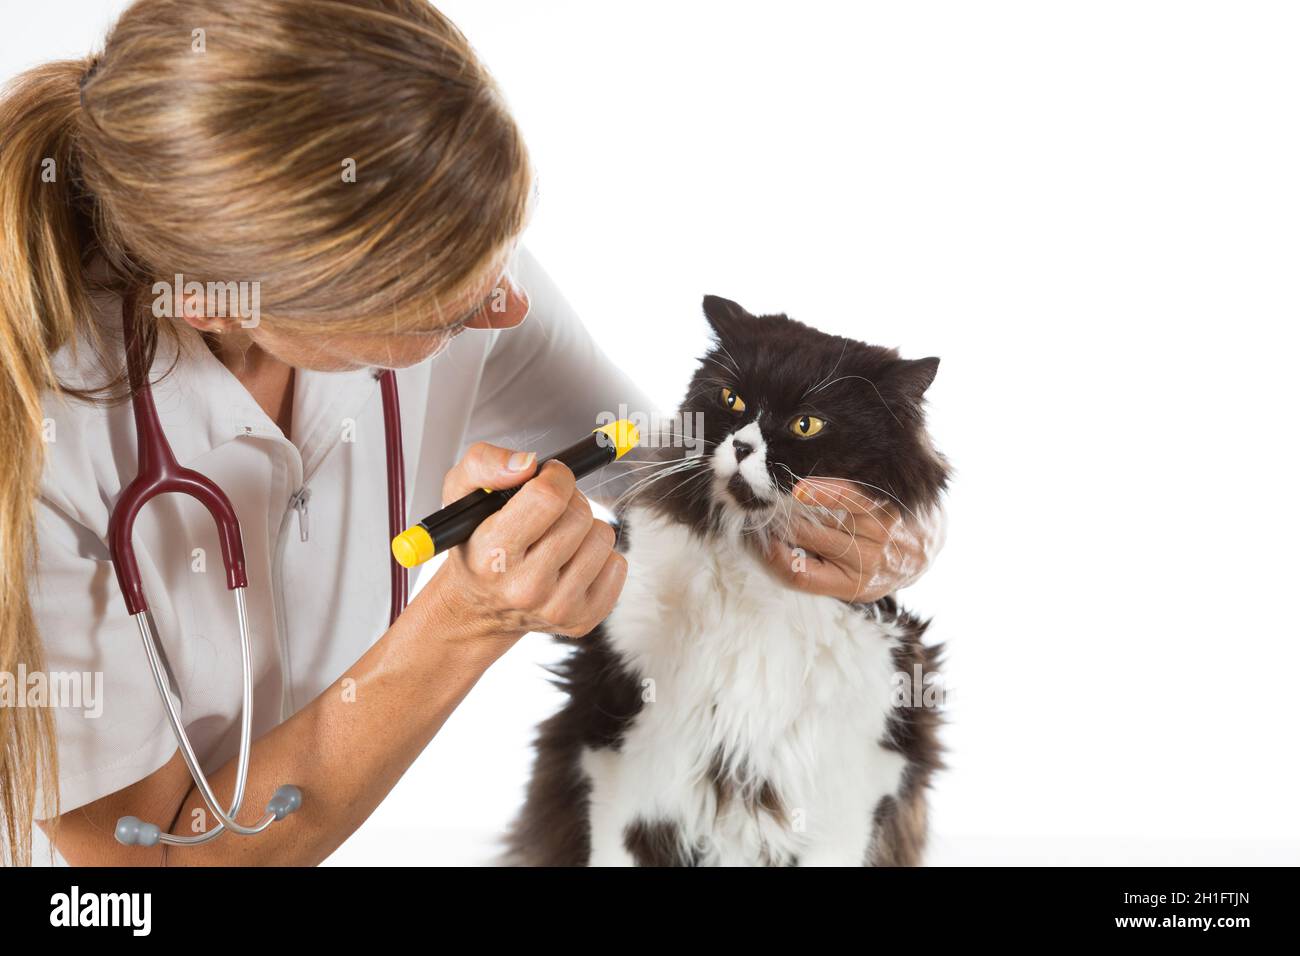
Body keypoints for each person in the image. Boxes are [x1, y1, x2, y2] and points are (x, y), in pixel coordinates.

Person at [0, 0, 944, 866]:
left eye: (499, 248)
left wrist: (902, 533)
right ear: (217, 305)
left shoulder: (439, 257)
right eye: (447, 315)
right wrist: (464, 620)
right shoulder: (45, 435)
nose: (509, 304)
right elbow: (149, 871)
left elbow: (667, 478)